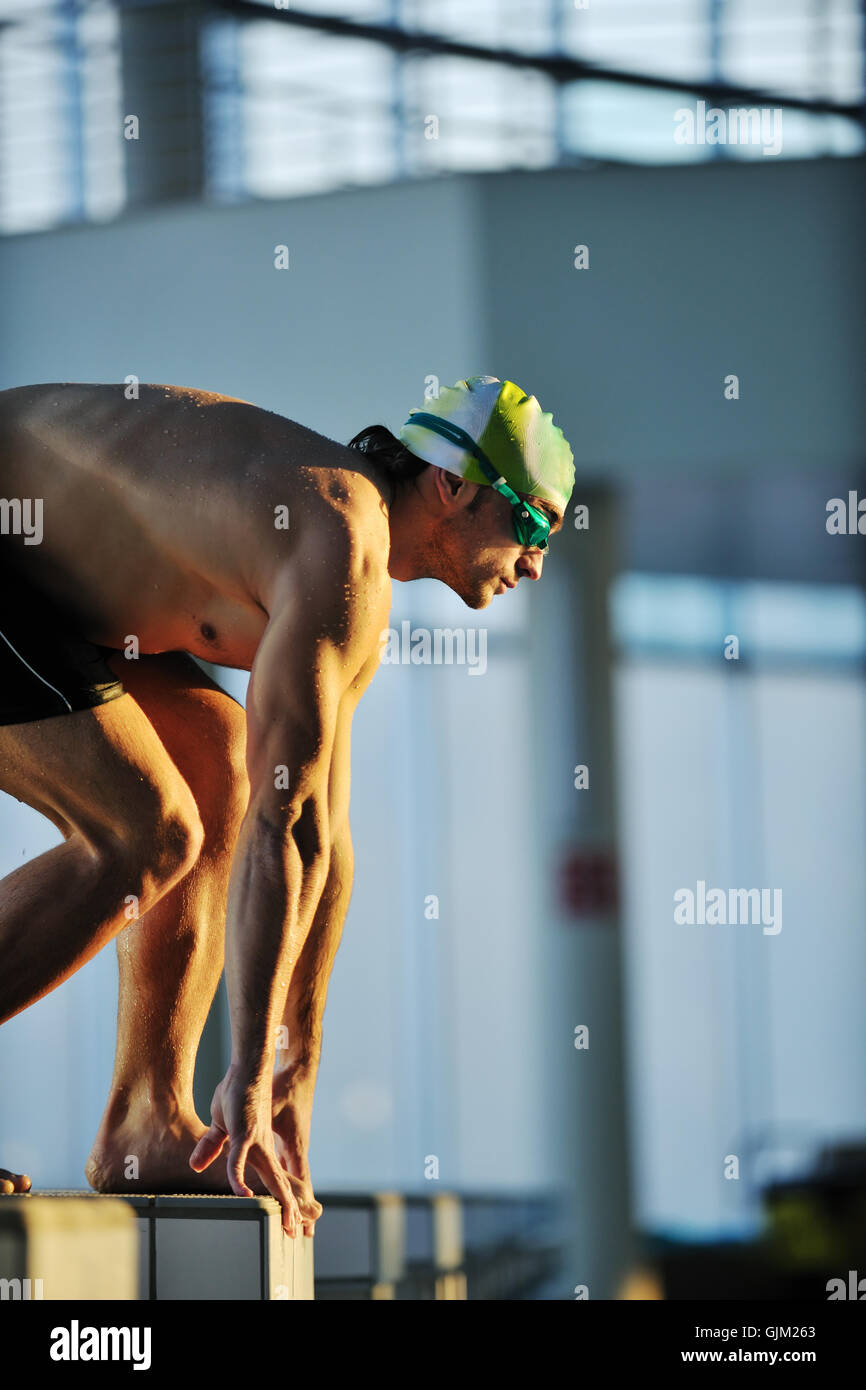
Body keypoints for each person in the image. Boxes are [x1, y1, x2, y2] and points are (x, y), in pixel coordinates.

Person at [0, 375, 573, 1235]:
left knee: (222, 768)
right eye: (533, 526)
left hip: (44, 579)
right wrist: (246, 1074)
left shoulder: (356, 574)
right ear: (452, 485)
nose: (536, 562)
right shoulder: (337, 534)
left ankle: (147, 1123)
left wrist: (291, 1065)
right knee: (143, 832)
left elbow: (320, 836)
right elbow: (287, 831)